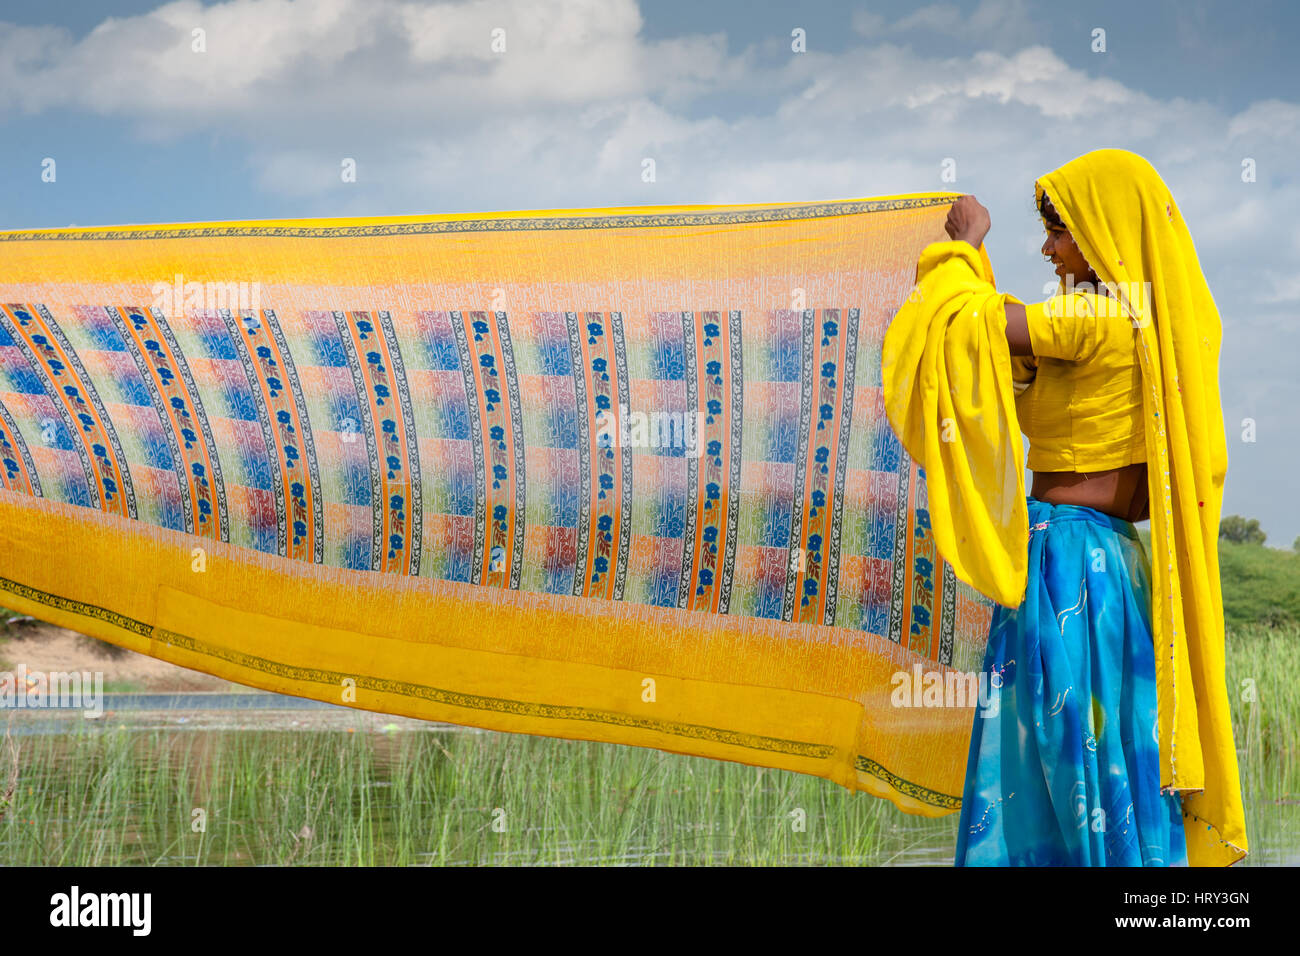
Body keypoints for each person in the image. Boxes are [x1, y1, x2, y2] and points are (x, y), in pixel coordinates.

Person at [882, 148, 1247, 866]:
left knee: (1063, 739)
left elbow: (974, 330)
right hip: (1106, 560)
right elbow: (1012, 326)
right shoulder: (1138, 323)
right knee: (1098, 738)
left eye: (1060, 230)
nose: (1048, 249)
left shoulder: (1098, 319)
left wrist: (962, 252)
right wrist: (980, 278)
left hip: (1069, 563)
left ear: (1104, 232)